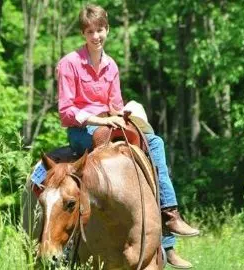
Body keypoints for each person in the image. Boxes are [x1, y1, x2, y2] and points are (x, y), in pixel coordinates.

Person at [57, 4, 199, 269]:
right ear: (83, 34)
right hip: (82, 130)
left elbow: (115, 103)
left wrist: (124, 114)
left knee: (153, 142)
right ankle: (73, 242)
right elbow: (66, 112)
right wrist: (101, 119)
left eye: (100, 30)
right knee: (101, 136)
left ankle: (169, 222)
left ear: (107, 29)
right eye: (90, 31)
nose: (96, 36)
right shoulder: (69, 63)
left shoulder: (111, 66)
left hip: (110, 123)